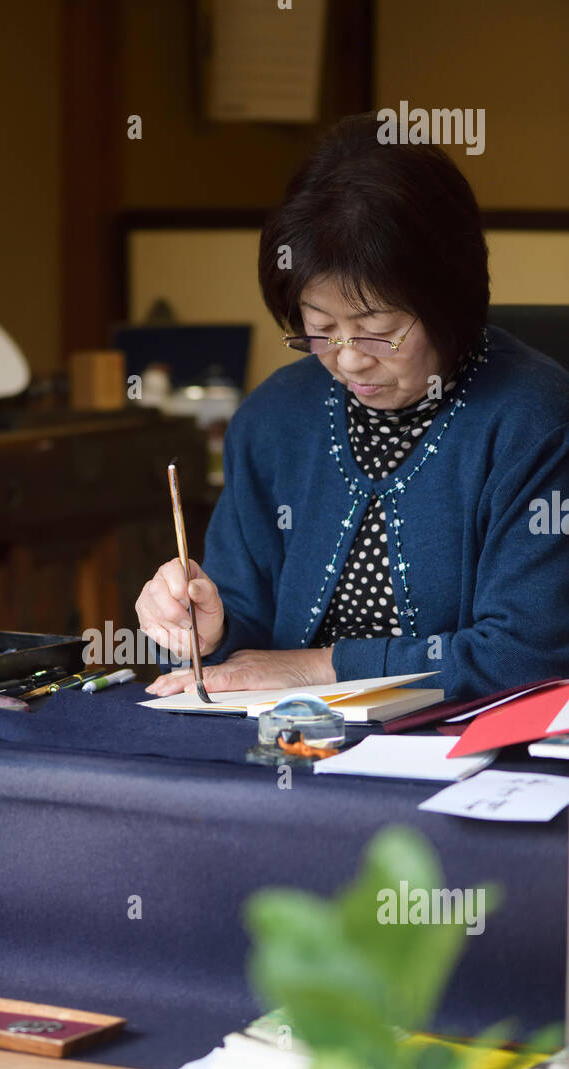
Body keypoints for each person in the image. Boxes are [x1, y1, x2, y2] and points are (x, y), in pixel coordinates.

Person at [137, 114, 569, 702]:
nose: (348, 362)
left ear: (450, 303)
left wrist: (315, 668)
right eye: (319, 330)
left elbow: (524, 654)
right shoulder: (273, 419)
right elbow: (246, 621)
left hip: (457, 749)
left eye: (376, 331)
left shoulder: (533, 419)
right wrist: (204, 625)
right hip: (285, 738)